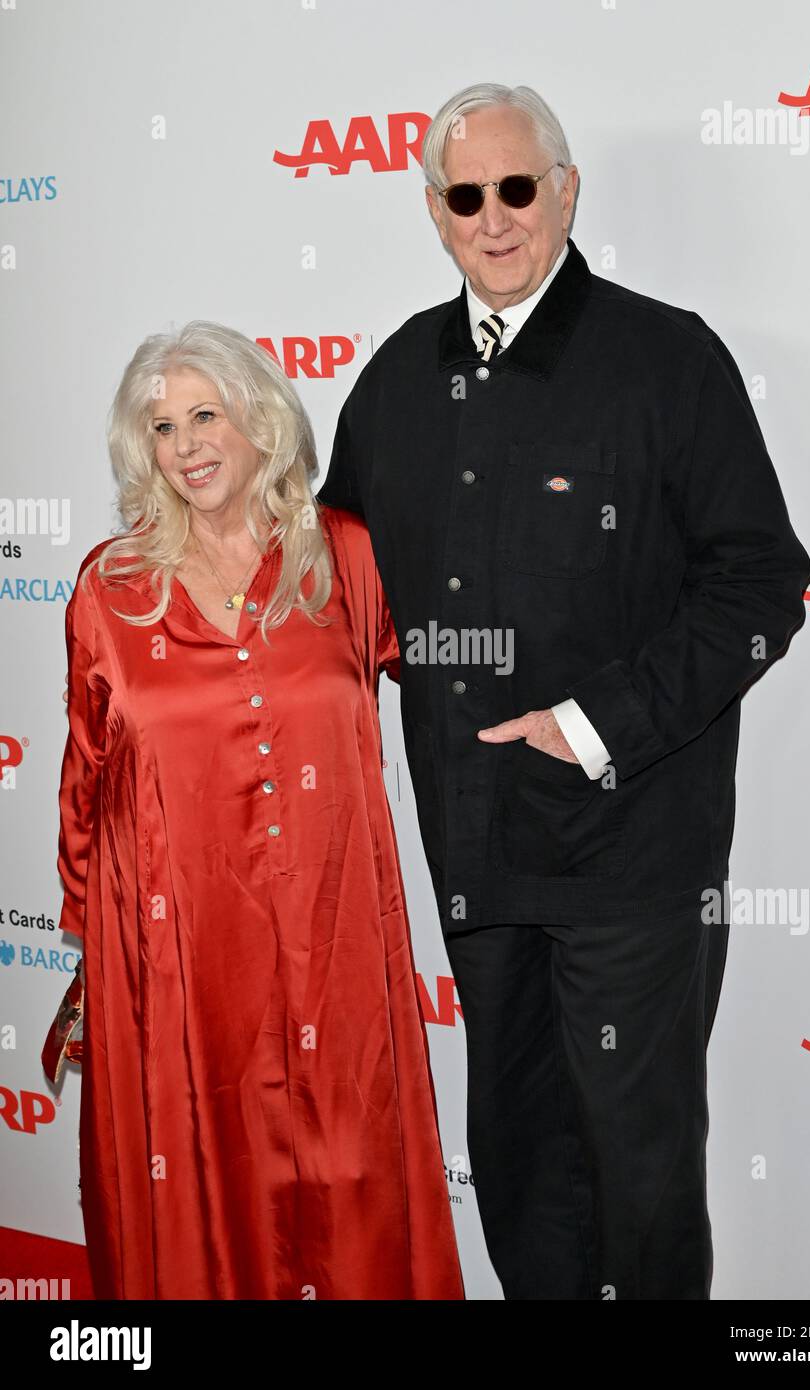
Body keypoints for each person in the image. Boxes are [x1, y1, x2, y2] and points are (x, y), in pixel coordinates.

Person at [316, 83, 810, 1300]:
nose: (494, 220)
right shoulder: (391, 382)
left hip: (632, 855)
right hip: (477, 851)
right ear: (434, 213)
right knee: (520, 1160)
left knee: (637, 1175)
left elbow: (760, 585)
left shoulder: (665, 357)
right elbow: (333, 593)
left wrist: (595, 723)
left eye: (518, 188)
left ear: (565, 191)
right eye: (465, 196)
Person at [52, 320, 464, 1301]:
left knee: (350, 1176)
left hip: (334, 946)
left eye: (205, 414)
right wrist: (91, 942)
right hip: (180, 949)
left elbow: (464, 675)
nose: (186, 443)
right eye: (160, 427)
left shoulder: (346, 561)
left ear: (258, 422)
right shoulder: (110, 589)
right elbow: (84, 774)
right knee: (198, 1177)